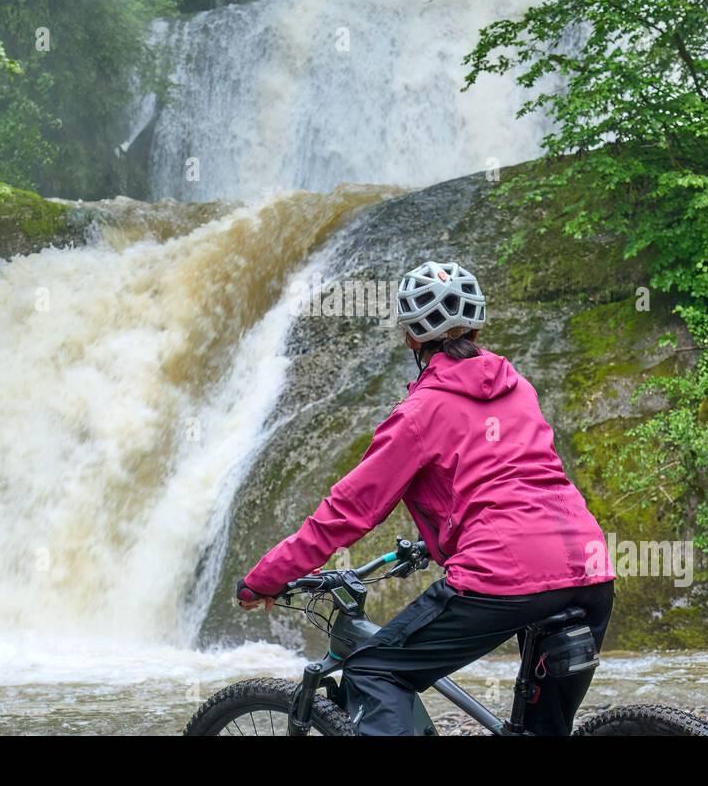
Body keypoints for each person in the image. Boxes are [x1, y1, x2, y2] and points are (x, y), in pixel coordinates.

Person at [236, 260, 615, 735]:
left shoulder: (419, 411)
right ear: (477, 325)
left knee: (375, 670)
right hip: (590, 565)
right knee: (543, 731)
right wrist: (438, 537)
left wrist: (265, 578)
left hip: (504, 574)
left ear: (411, 337)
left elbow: (349, 511)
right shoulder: (519, 389)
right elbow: (509, 483)